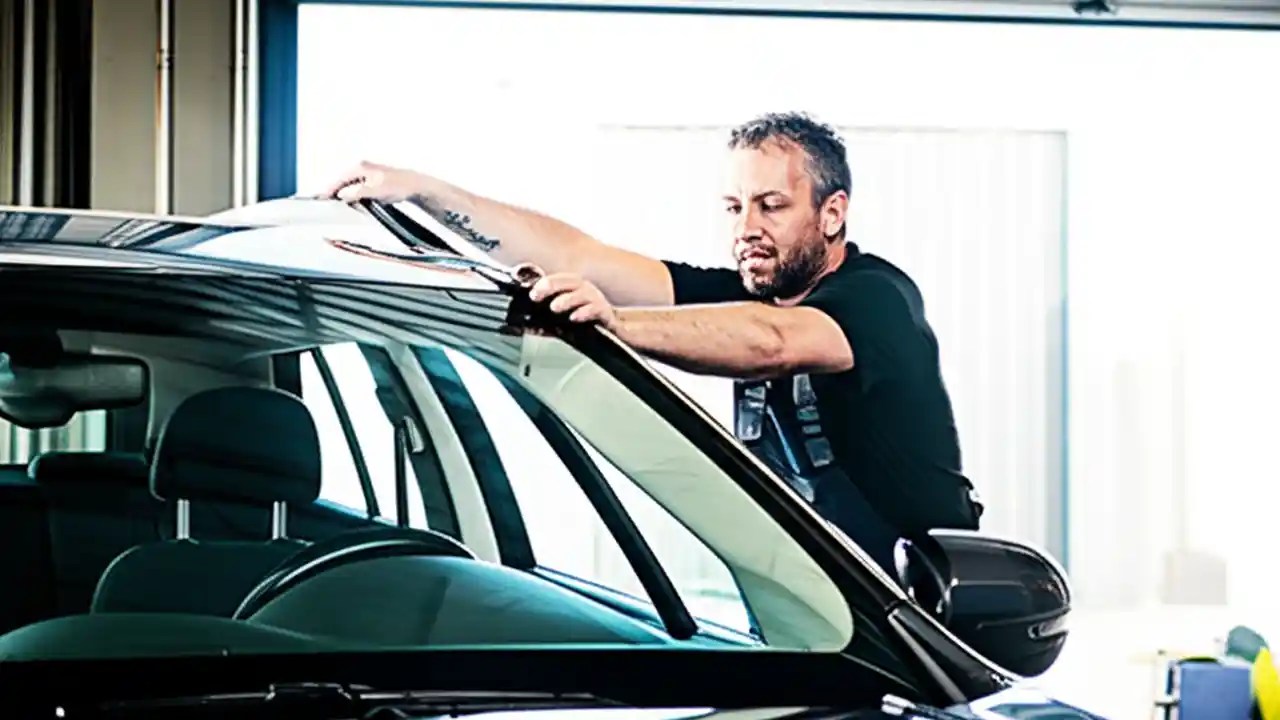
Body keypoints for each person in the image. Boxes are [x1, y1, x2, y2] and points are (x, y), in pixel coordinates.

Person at [322, 111, 982, 576]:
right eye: (734, 207)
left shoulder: (878, 299)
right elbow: (580, 255)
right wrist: (427, 193)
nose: (747, 227)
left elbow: (775, 342)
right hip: (824, 619)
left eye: (771, 206)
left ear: (831, 213)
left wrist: (612, 327)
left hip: (926, 620)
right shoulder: (744, 295)